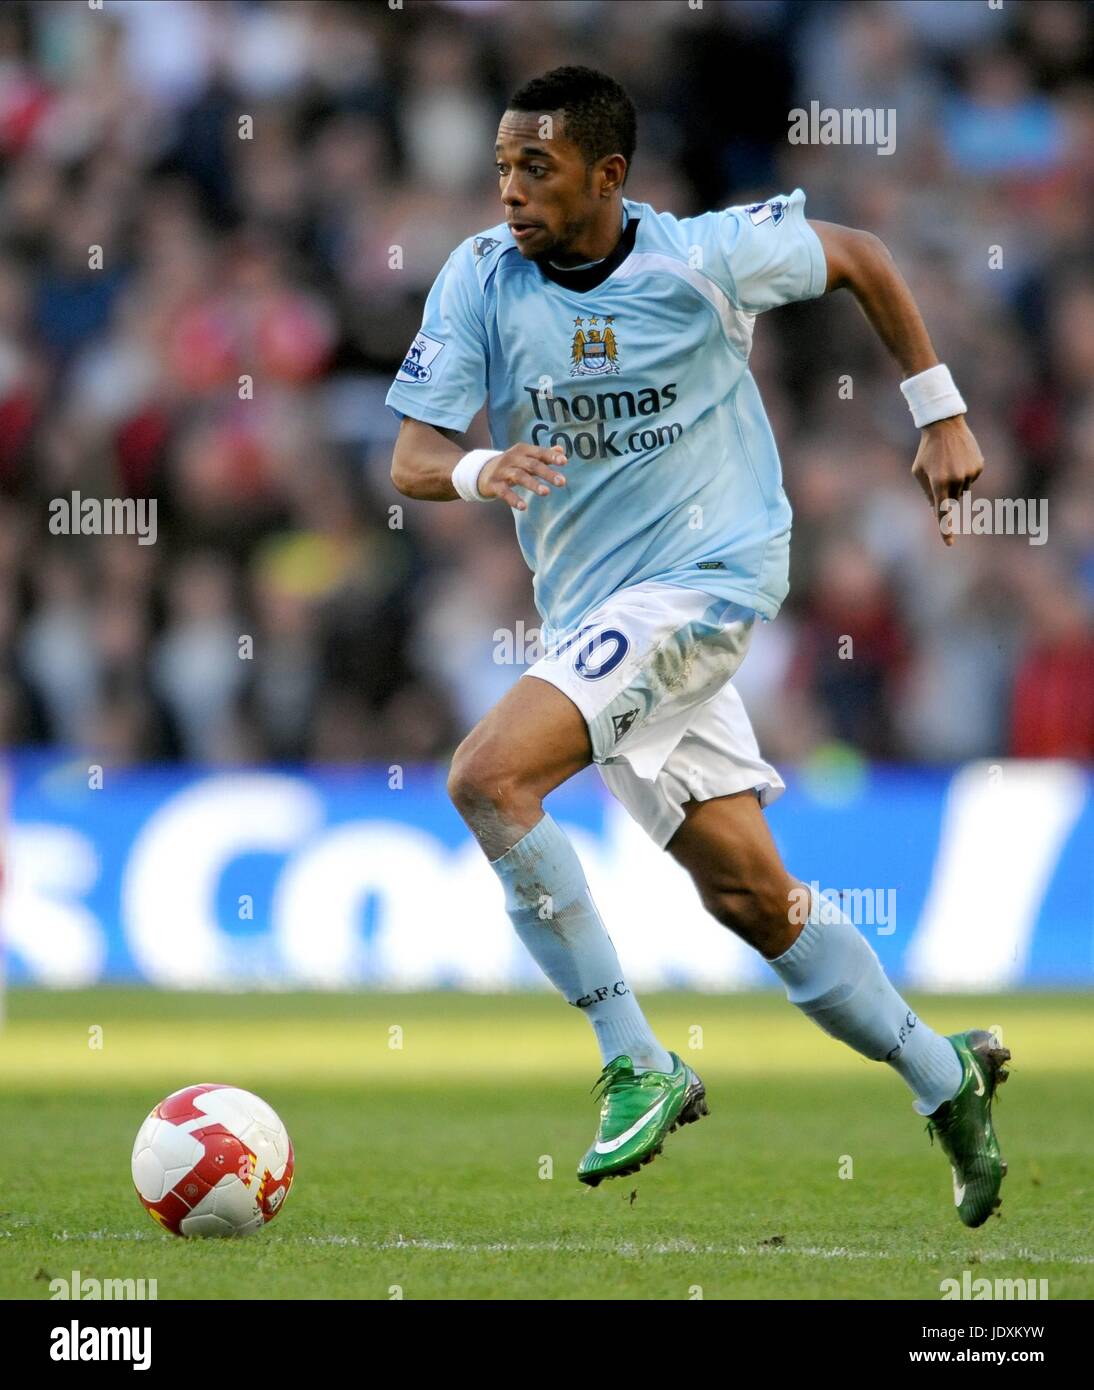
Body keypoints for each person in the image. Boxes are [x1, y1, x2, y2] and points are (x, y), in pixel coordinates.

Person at [387, 66, 1008, 1225]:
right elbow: (411, 457)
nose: (509, 191)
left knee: (486, 776)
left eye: (537, 167)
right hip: (596, 622)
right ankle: (944, 1076)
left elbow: (862, 253)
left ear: (607, 176)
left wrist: (939, 409)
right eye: (501, 167)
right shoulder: (477, 278)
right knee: (751, 898)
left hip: (709, 582)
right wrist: (481, 468)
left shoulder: (705, 257)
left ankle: (634, 1059)